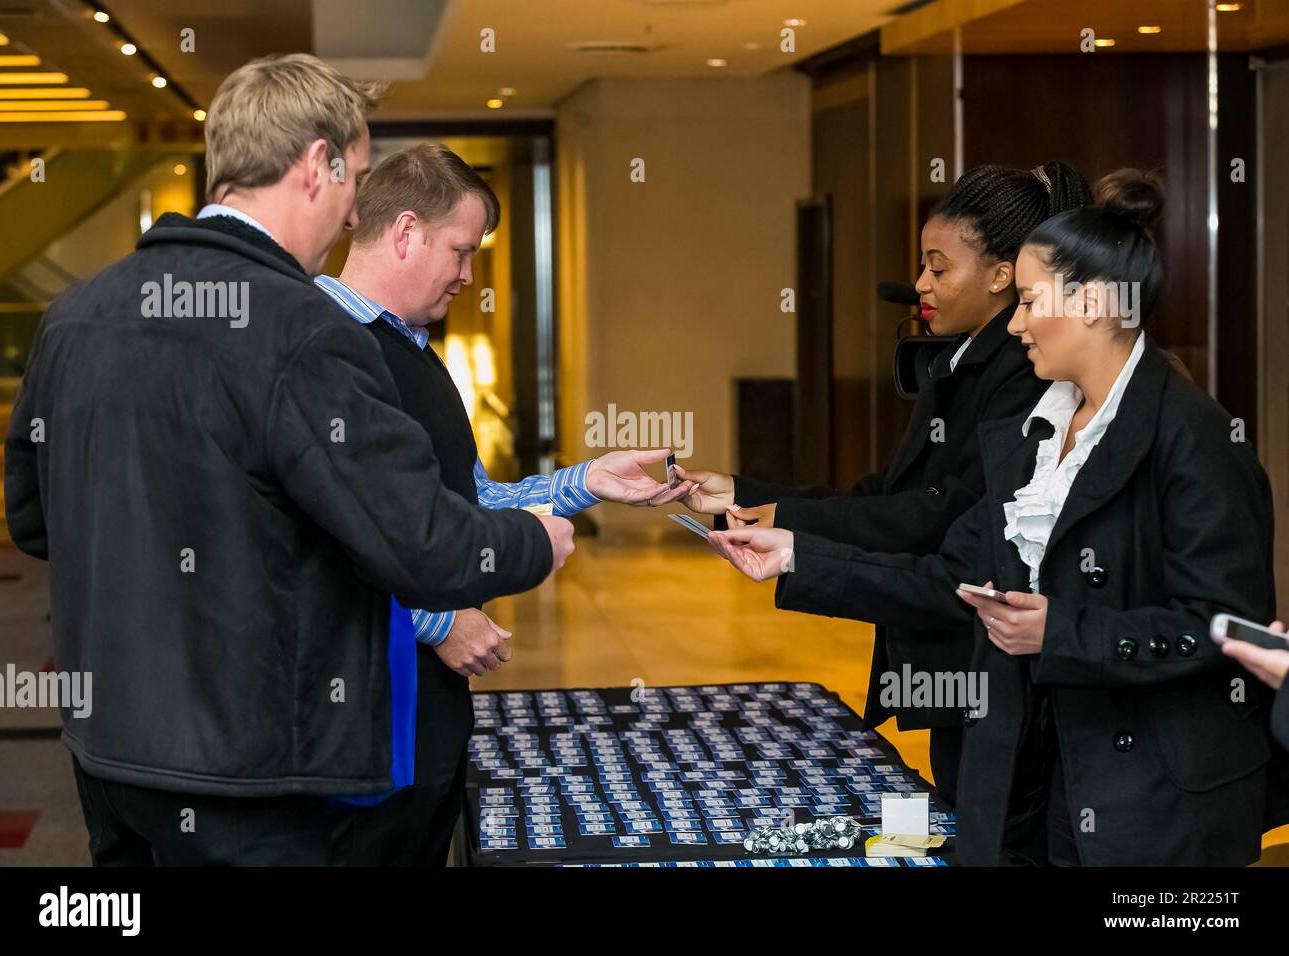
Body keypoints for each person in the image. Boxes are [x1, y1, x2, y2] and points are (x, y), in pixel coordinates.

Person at [4, 54, 574, 866]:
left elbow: (34, 519)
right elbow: (418, 542)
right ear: (317, 165)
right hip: (252, 776)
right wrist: (535, 538)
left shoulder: (76, 316)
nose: (353, 218)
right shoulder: (302, 330)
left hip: (108, 756)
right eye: (356, 180)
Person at [707, 170, 1277, 866]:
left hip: (1152, 797)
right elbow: (948, 574)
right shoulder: (1033, 434)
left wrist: (1058, 629)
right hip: (1028, 767)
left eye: (1031, 301)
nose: (1014, 323)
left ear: (1093, 304)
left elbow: (1226, 630)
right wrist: (795, 554)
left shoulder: (1194, 439)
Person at [316, 143, 691, 865]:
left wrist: (589, 481)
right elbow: (326, 531)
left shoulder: (416, 352)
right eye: (461, 251)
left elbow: (474, 499)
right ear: (403, 232)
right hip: (357, 716)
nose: (467, 274)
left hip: (420, 710)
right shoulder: (326, 348)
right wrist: (435, 621)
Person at [677, 162, 1090, 804]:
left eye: (938, 267)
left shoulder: (1025, 375)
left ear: (1004, 276)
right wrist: (748, 495)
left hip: (997, 665)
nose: (920, 284)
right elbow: (890, 497)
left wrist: (792, 541)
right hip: (958, 658)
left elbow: (938, 521)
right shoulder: (956, 360)